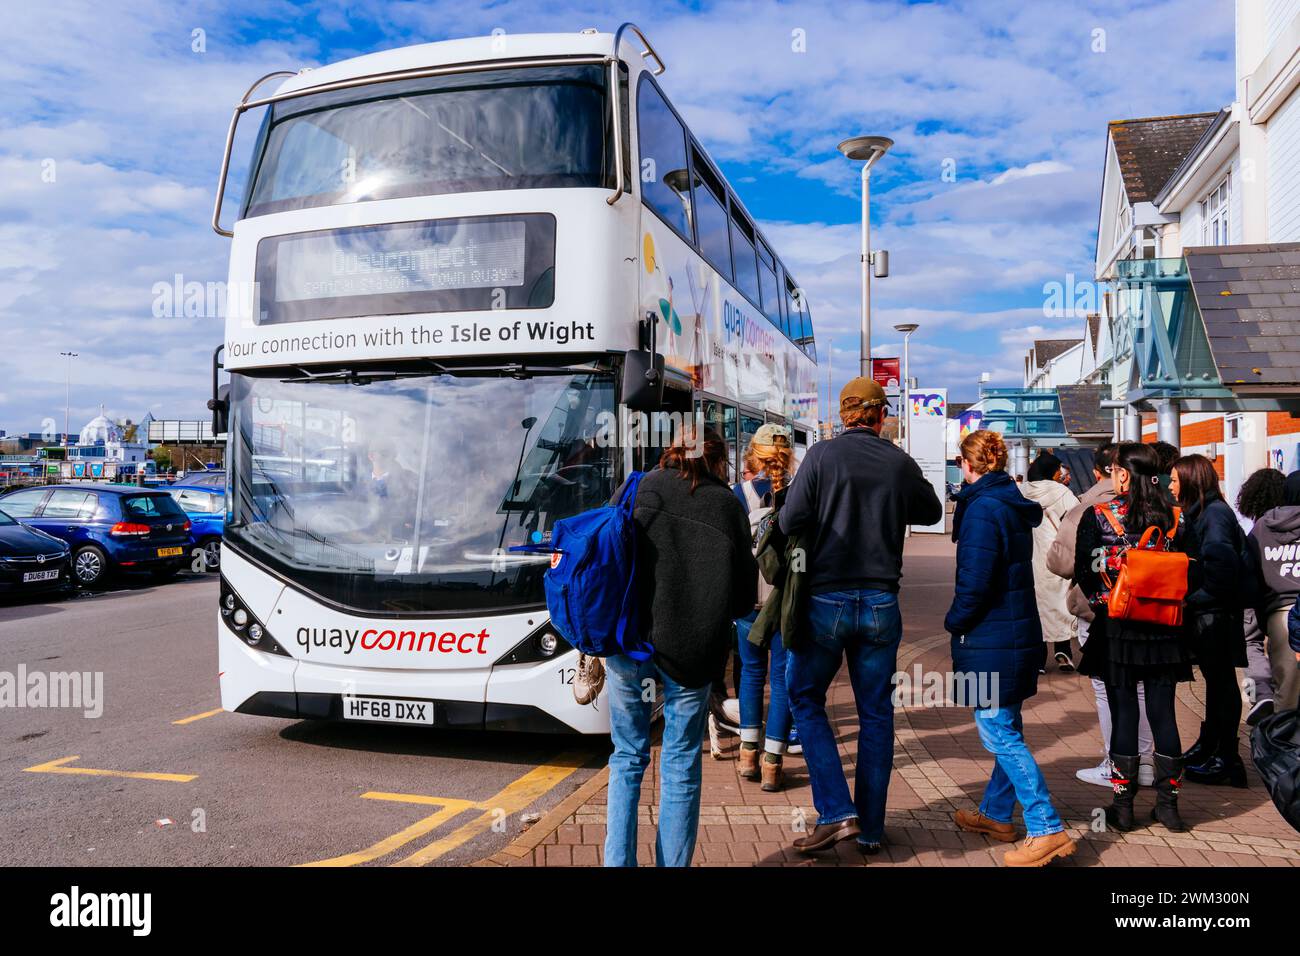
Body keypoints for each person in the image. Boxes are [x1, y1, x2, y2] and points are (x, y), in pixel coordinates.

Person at [778, 377, 942, 854]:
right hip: (880, 603)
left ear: (845, 413)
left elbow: (789, 521)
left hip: (824, 600)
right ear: (879, 416)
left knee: (805, 699)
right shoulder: (898, 460)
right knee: (876, 715)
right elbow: (931, 511)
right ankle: (869, 828)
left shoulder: (822, 456)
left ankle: (835, 811)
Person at [603, 427, 758, 867]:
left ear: (670, 452)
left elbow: (608, 560)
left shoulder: (638, 488)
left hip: (629, 644)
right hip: (691, 653)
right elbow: (745, 598)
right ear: (717, 459)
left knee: (627, 756)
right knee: (680, 764)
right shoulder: (728, 505)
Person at [947, 431, 1076, 867]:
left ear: (969, 465)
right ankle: (997, 814)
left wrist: (955, 621)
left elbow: (975, 583)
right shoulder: (1008, 501)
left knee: (997, 733)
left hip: (990, 638)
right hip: (1015, 633)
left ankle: (1046, 826)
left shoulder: (982, 509)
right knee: (1007, 728)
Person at [1075, 442, 1202, 833]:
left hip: (1118, 627)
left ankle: (1123, 805)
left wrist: (1106, 605)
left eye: (1115, 470)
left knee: (1124, 712)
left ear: (1124, 475)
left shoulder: (1099, 515)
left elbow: (1086, 571)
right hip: (1165, 628)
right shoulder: (1176, 518)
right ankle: (1169, 806)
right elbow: (1192, 570)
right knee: (1165, 714)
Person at [1047, 443, 1155, 788]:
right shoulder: (1163, 509)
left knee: (1108, 692)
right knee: (1145, 690)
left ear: (1103, 472)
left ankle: (1117, 764)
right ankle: (1150, 764)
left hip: (1103, 613)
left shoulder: (1088, 508)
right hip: (1154, 611)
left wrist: (1097, 597)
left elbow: (1064, 563)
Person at [1170, 454, 1249, 787]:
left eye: (1174, 480)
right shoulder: (1204, 512)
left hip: (1215, 614)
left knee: (1222, 685)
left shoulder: (1213, 515)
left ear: (1190, 481)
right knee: (1217, 685)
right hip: (1211, 612)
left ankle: (1227, 757)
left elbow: (1221, 569)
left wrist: (1192, 600)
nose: (1170, 485)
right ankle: (1212, 745)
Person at [731, 423, 798, 792]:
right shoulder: (802, 493)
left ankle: (747, 754)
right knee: (783, 679)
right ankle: (773, 763)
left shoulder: (736, 495)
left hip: (747, 603)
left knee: (751, 675)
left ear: (752, 457)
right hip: (785, 600)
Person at [1245, 470, 1300, 714]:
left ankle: (1284, 744)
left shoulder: (1263, 527)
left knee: (1286, 693)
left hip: (1279, 613)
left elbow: (1250, 568)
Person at [1236, 467, 1288, 724]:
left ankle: (1258, 696)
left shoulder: (1258, 530)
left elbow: (1247, 566)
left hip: (1260, 599)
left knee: (1249, 645)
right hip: (1291, 603)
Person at [1022, 450, 1080, 672]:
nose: (1060, 474)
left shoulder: (1021, 491)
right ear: (1052, 472)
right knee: (1060, 604)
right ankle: (1063, 652)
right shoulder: (1061, 491)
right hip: (1056, 555)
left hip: (1029, 556)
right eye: (1058, 470)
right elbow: (1076, 519)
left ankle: (1037, 659)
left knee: (1035, 607)